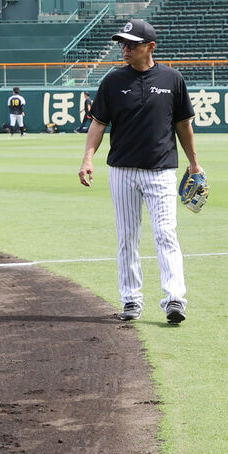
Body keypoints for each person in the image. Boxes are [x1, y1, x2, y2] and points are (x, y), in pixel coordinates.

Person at [78, 18, 200, 325]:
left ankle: (175, 298)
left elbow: (183, 124)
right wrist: (87, 159)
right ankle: (131, 299)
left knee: (166, 233)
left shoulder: (173, 79)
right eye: (122, 43)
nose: (124, 48)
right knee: (127, 237)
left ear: (150, 47)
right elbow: (98, 124)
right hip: (122, 171)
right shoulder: (113, 81)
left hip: (161, 171)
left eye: (131, 44)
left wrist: (194, 163)